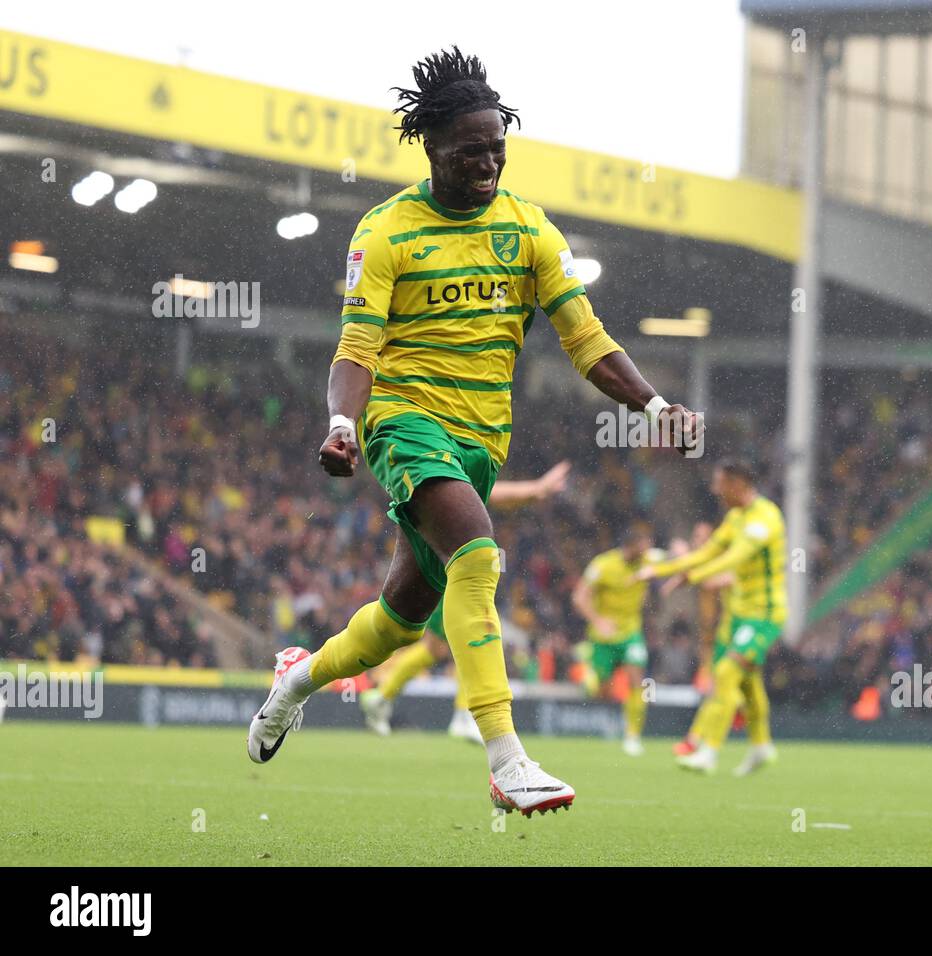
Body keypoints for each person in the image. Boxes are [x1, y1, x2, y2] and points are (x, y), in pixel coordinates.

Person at [247, 47, 702, 818]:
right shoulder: (386, 230)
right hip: (404, 422)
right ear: (432, 147)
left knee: (394, 624)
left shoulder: (528, 230)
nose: (487, 162)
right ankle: (506, 758)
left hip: (481, 442)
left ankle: (294, 681)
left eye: (497, 147)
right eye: (471, 150)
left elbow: (586, 340)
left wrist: (657, 408)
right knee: (479, 556)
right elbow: (356, 350)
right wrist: (341, 423)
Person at [358, 463, 570, 741]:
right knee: (469, 633)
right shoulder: (448, 475)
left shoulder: (438, 468)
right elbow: (495, 494)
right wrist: (537, 489)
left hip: (441, 563)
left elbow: (492, 493)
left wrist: (536, 490)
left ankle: (381, 697)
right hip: (451, 565)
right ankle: (462, 715)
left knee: (436, 647)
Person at [639, 459, 784, 776]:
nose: (715, 490)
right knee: (749, 685)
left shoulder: (765, 518)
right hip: (740, 617)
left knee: (728, 672)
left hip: (765, 616)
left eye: (720, 483)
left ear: (738, 483)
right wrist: (662, 570)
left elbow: (734, 557)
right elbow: (706, 553)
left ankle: (709, 752)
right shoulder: (735, 517)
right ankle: (761, 746)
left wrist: (694, 577)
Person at [571, 524, 661, 755]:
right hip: (603, 635)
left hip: (631, 633)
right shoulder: (603, 565)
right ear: (630, 546)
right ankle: (590, 676)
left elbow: (672, 557)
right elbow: (580, 597)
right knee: (602, 690)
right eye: (643, 546)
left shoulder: (649, 560)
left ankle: (632, 736)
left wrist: (683, 551)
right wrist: (598, 620)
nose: (647, 550)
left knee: (636, 681)